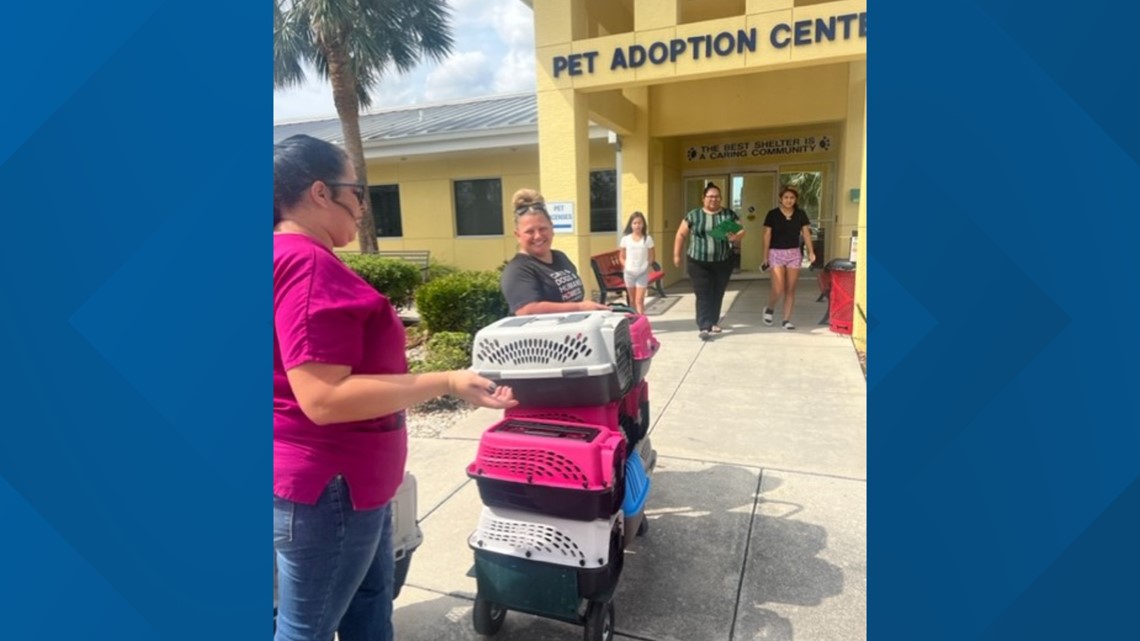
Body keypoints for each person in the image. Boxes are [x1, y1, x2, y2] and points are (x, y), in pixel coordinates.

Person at [273, 134, 517, 641]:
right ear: (321, 193)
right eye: (357, 191)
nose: (363, 206)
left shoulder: (280, 257)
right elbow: (322, 398)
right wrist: (445, 380)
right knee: (308, 630)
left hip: (345, 487)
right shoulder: (308, 265)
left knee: (368, 609)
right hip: (332, 489)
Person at [500, 188, 611, 316]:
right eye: (530, 231)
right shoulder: (517, 270)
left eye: (543, 229)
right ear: (518, 235)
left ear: (552, 228)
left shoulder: (560, 257)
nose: (538, 236)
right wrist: (580, 307)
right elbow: (527, 310)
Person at [672, 183, 744, 339]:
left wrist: (736, 236)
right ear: (703, 198)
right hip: (698, 262)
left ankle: (713, 321)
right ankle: (704, 326)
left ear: (721, 198)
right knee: (703, 293)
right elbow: (681, 235)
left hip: (723, 261)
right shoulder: (694, 215)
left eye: (717, 196)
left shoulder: (728, 214)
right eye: (710, 196)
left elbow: (741, 230)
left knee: (717, 292)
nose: (714, 199)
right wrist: (676, 255)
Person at [761, 185, 816, 330]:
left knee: (791, 289)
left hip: (794, 254)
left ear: (795, 199)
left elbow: (806, 234)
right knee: (778, 288)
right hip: (776, 253)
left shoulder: (800, 214)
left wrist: (811, 251)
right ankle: (770, 308)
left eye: (792, 198)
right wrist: (765, 256)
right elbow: (767, 235)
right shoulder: (772, 214)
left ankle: (786, 320)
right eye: (786, 197)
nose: (789, 200)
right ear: (781, 199)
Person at [619, 211, 656, 315]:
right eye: (635, 223)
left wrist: (645, 266)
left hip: (642, 273)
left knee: (639, 301)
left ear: (643, 224)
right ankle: (633, 324)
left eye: (639, 223)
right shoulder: (625, 239)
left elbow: (652, 256)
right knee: (632, 301)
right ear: (631, 225)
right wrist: (626, 265)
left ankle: (641, 323)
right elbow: (621, 257)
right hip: (629, 273)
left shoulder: (647, 239)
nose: (637, 225)